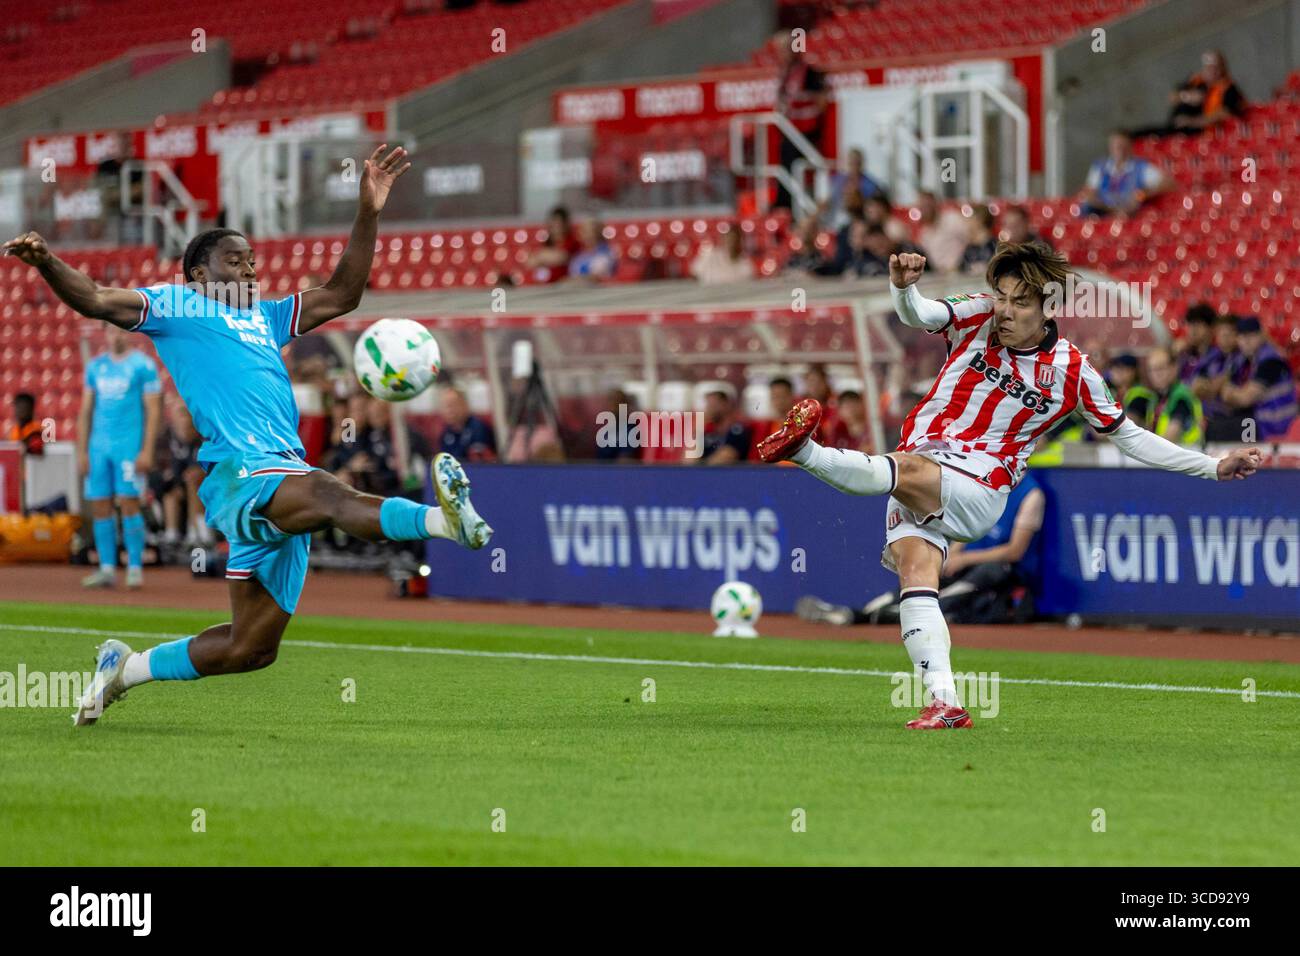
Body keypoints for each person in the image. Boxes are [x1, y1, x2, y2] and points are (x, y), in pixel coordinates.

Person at [5, 144, 494, 727]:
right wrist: (47, 261)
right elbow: (94, 299)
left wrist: (369, 210)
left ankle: (125, 667)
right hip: (242, 471)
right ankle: (444, 522)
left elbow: (343, 294)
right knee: (329, 494)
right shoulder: (174, 304)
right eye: (235, 262)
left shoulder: (264, 317)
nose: (250, 270)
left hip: (277, 467)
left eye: (253, 261)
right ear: (197, 272)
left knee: (250, 648)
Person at [757, 243, 1261, 729]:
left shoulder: (1072, 372)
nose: (1004, 309)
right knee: (916, 572)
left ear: (1048, 307)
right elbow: (920, 314)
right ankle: (945, 702)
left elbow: (1130, 438)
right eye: (1001, 296)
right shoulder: (978, 314)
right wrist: (902, 288)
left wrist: (1211, 466)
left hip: (979, 483)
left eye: (1020, 301)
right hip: (927, 463)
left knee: (902, 469)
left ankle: (804, 450)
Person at [797, 471, 1045, 627]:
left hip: (1002, 570)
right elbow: (969, 527)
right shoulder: (988, 483)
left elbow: (1014, 551)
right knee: (925, 567)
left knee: (988, 572)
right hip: (969, 561)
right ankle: (862, 612)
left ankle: (882, 615)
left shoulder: (1031, 494)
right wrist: (953, 555)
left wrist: (965, 559)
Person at [76, 322, 163, 589]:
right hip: (99, 446)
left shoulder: (143, 366)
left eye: (121, 331)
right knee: (100, 505)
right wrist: (82, 451)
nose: (116, 336)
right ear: (105, 334)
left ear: (129, 333)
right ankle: (107, 568)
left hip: (128, 445)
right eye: (112, 331)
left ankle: (134, 567)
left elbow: (154, 412)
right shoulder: (96, 367)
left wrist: (147, 450)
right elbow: (85, 411)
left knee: (129, 503)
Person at [1132, 50, 1247, 137]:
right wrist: (1186, 97)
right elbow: (1172, 97)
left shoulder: (1228, 87)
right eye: (1209, 67)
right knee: (1144, 135)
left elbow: (1224, 113)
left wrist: (1192, 122)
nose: (1212, 71)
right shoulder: (1196, 81)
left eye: (1216, 67)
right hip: (1179, 125)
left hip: (1207, 132)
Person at [1219, 316, 1298, 441]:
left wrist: (1231, 394)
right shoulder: (1246, 361)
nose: (1246, 341)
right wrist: (1232, 394)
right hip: (1260, 422)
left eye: (1251, 336)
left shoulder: (1271, 361)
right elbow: (1226, 392)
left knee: (1217, 430)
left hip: (1276, 425)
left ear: (1261, 336)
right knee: (1219, 421)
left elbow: (1245, 399)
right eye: (1242, 337)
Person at [772, 38, 828, 210]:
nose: (783, 54)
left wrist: (808, 116)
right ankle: (784, 202)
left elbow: (821, 100)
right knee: (784, 157)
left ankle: (787, 203)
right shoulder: (786, 74)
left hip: (807, 131)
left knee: (793, 160)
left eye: (786, 49)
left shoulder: (808, 72)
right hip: (791, 130)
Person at [1077, 130, 1173, 217]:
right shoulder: (1100, 167)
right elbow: (1089, 191)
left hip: (1130, 213)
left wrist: (1142, 194)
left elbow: (1168, 183)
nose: (1120, 150)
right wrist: (1110, 209)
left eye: (1123, 146)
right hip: (1104, 210)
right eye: (1116, 146)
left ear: (1130, 146)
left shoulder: (1141, 167)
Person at [1124, 346, 1204, 447]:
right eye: (1151, 370)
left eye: (1160, 368)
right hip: (1167, 457)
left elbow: (1171, 436)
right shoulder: (1156, 398)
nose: (1156, 375)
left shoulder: (1181, 397)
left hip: (1186, 457)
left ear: (1174, 368)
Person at [438, 386, 497, 462]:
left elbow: (481, 463)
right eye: (446, 406)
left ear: (465, 405)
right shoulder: (445, 434)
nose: (449, 410)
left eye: (453, 405)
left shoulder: (478, 429)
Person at [913, 190, 967, 274]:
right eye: (922, 207)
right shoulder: (924, 234)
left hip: (960, 270)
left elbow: (969, 239)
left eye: (928, 206)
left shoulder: (952, 218)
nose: (926, 210)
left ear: (935, 204)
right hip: (938, 275)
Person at [698, 387, 752, 464]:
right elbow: (689, 460)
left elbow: (726, 457)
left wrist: (700, 465)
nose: (708, 409)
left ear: (726, 405)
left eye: (713, 405)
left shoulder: (737, 430)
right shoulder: (709, 433)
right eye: (708, 405)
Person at [526, 206, 579, 283]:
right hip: (545, 285)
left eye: (559, 224)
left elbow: (561, 257)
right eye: (554, 224)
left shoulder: (571, 241)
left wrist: (541, 257)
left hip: (564, 283)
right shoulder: (547, 242)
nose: (556, 227)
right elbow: (530, 262)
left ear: (565, 224)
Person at [690, 226, 754, 284]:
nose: (731, 243)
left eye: (734, 240)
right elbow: (695, 273)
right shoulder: (710, 256)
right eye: (729, 239)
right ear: (723, 240)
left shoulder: (745, 263)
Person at [1176, 303, 1216, 384]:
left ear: (1210, 328)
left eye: (1197, 325)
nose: (1192, 331)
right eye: (1189, 325)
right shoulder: (1184, 355)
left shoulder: (1217, 356)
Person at [959, 205, 998, 273]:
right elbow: (962, 269)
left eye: (970, 218)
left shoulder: (994, 246)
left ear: (979, 220)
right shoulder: (970, 247)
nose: (967, 222)